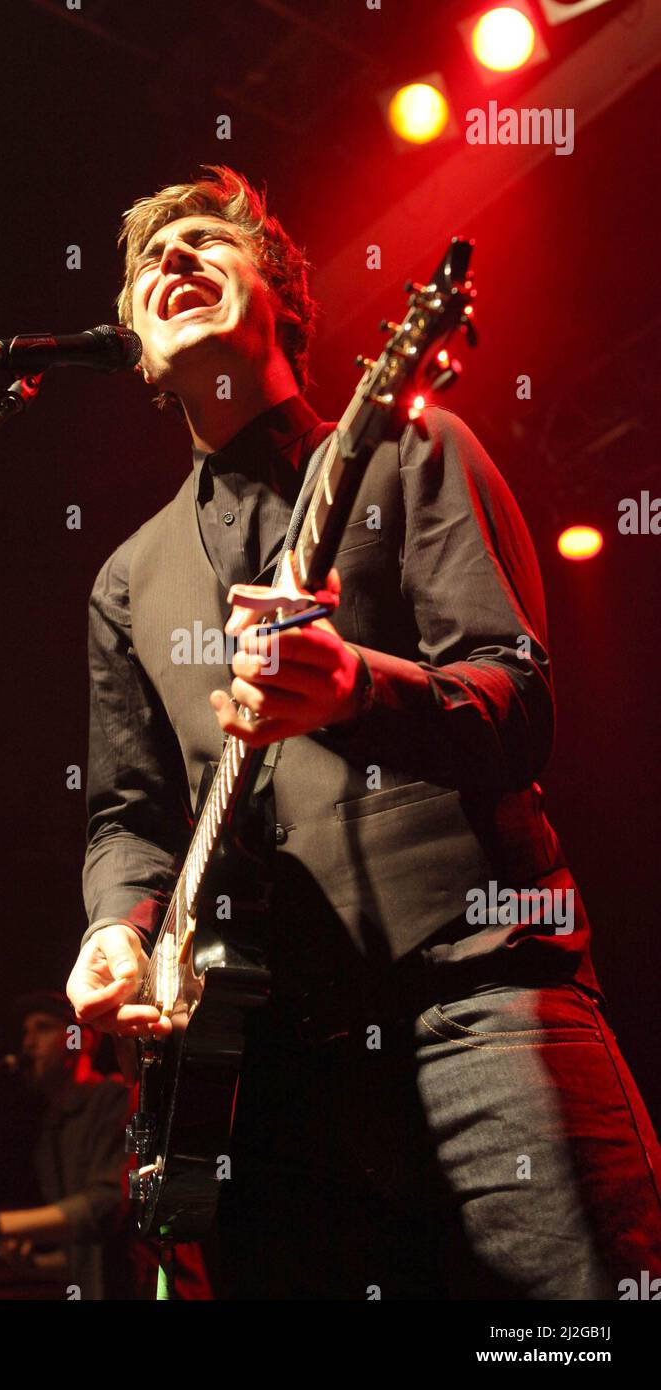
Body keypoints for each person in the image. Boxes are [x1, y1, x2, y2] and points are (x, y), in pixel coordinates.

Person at [67, 164, 661, 1299]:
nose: (171, 262)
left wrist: (357, 691)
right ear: (136, 348)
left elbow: (518, 703)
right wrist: (116, 928)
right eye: (149, 261)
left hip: (478, 1003)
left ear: (285, 299)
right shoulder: (125, 580)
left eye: (203, 241)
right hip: (271, 1078)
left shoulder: (410, 447)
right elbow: (128, 817)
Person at [0, 993, 133, 1299]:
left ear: (78, 1040)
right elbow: (87, 1253)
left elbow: (107, 1206)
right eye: (25, 1032)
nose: (28, 1044)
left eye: (42, 1028)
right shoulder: (50, 1130)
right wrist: (35, 1264)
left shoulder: (115, 1098)